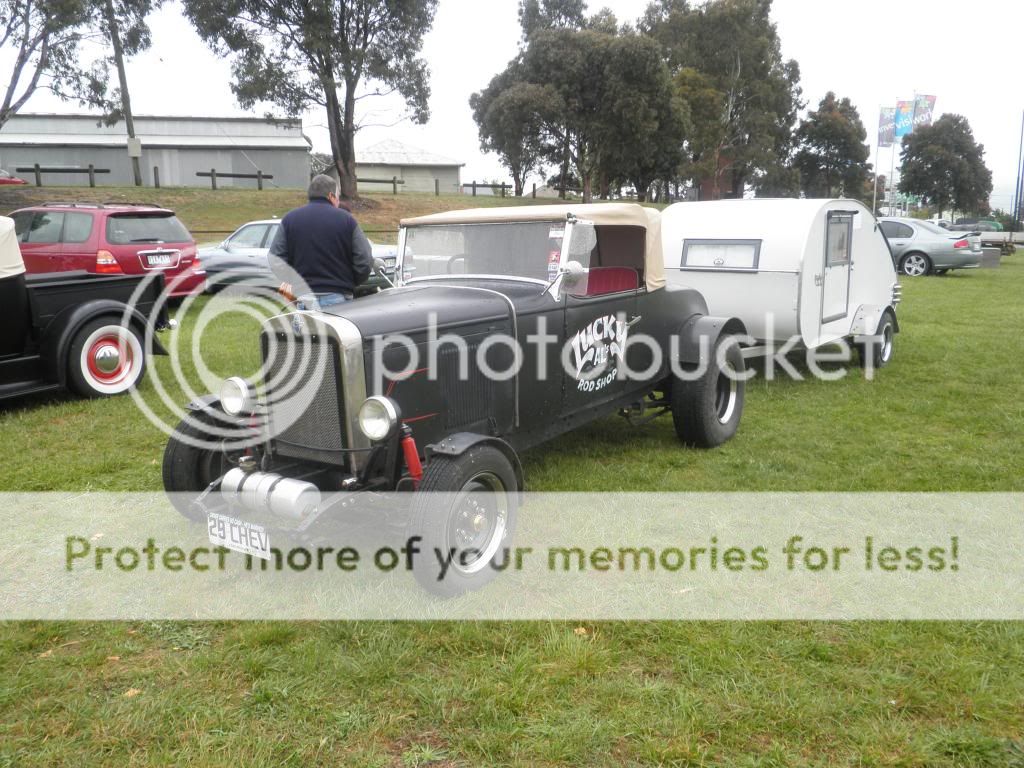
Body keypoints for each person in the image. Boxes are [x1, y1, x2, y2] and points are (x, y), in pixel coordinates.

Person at [268, 174, 374, 310]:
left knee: (306, 332)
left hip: (303, 298)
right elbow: (364, 260)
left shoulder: (290, 219)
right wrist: (350, 281)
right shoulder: (347, 220)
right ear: (331, 196)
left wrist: (295, 280)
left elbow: (275, 259)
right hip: (339, 297)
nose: (338, 201)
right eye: (337, 197)